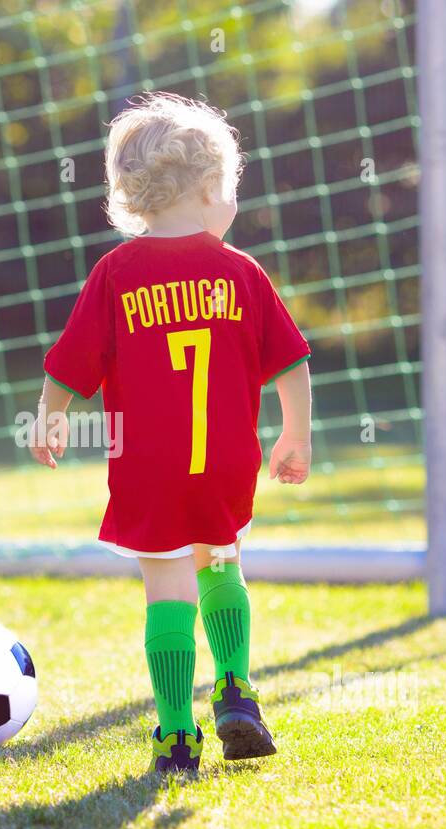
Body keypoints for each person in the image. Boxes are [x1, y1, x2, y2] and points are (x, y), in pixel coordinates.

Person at [31, 94, 312, 774]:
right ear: (212, 188)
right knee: (221, 561)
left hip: (147, 467)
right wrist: (294, 435)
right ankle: (237, 687)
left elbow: (70, 364)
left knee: (167, 590)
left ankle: (177, 733)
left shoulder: (116, 275)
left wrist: (51, 414)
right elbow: (291, 361)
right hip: (222, 461)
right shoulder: (242, 273)